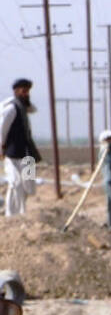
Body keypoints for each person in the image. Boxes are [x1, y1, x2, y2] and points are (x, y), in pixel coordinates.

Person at [1, 78, 41, 216]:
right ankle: (12, 214)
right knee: (15, 183)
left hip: (27, 154)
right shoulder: (11, 108)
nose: (26, 94)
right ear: (16, 91)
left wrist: (26, 101)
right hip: (13, 154)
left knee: (29, 187)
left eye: (28, 92)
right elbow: (2, 130)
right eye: (24, 91)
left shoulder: (24, 108)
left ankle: (23, 212)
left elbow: (33, 109)